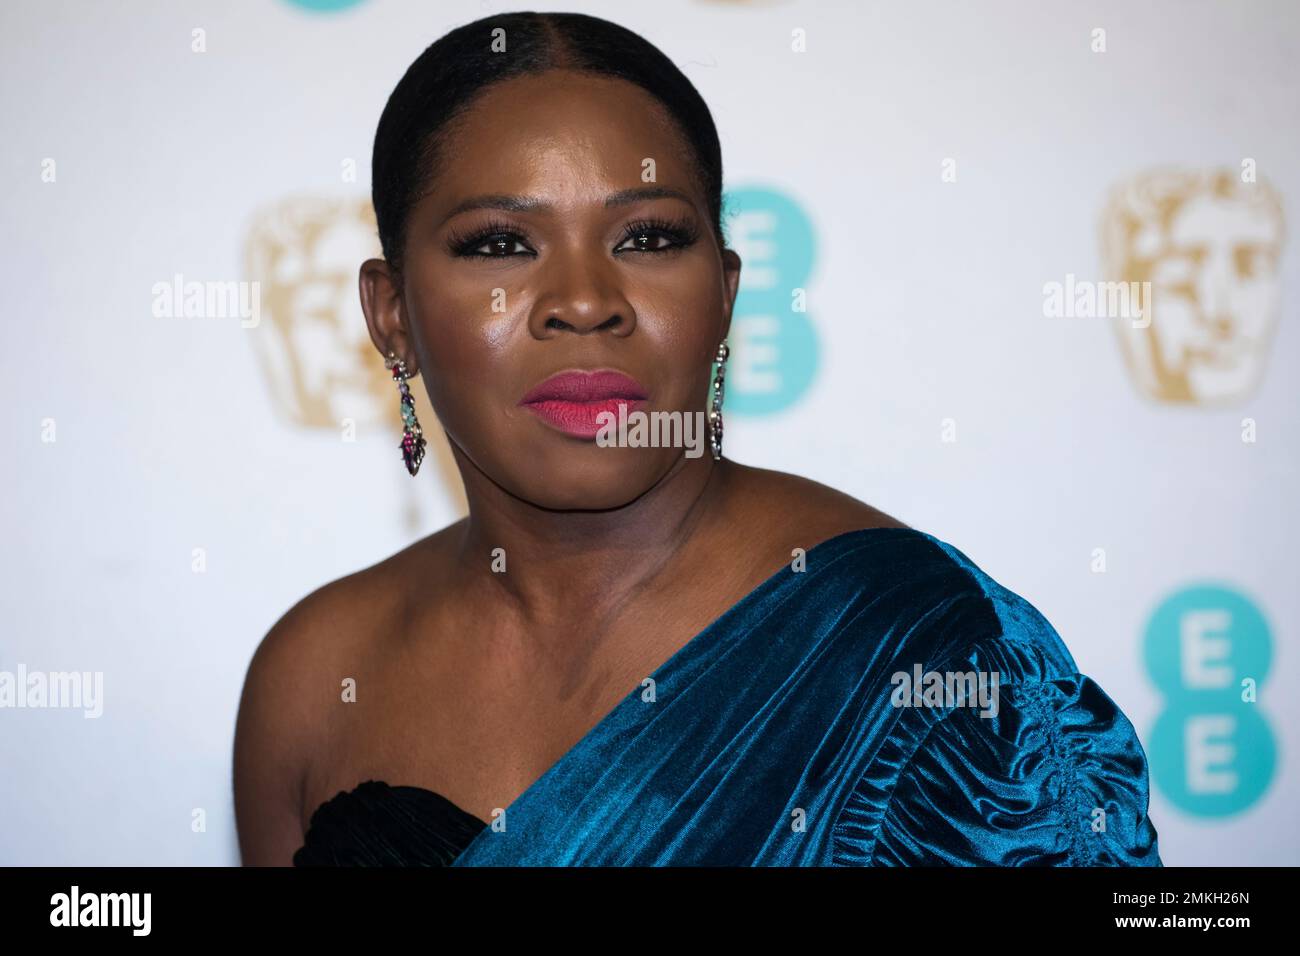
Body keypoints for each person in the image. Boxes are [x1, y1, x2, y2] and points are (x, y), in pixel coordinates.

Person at [233, 10, 1161, 867]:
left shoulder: (928, 658)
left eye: (645, 237)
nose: (585, 301)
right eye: (501, 244)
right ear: (391, 314)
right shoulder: (315, 678)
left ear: (724, 291)